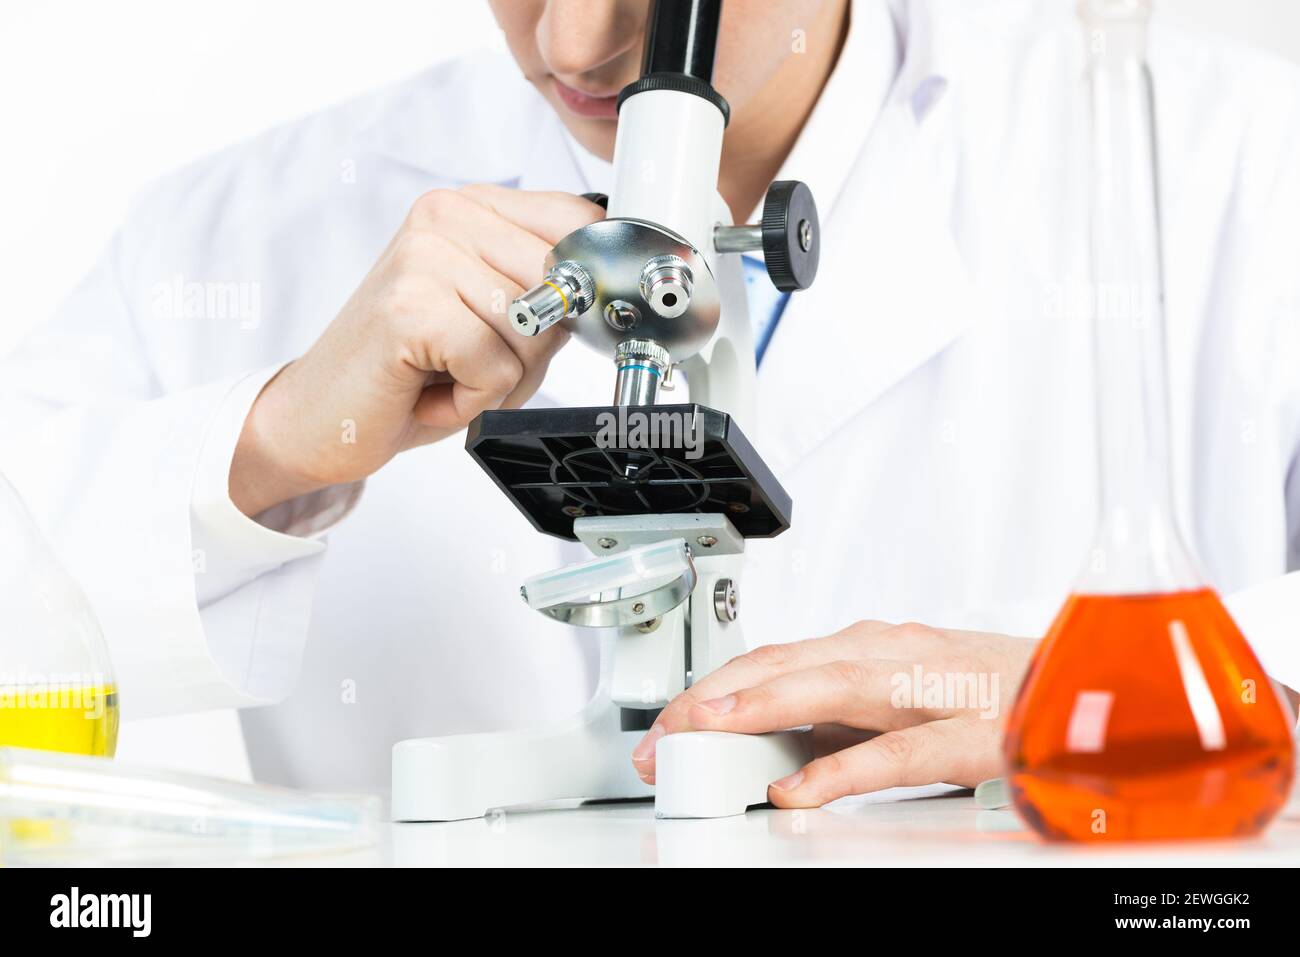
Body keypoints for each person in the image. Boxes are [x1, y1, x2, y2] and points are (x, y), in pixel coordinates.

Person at [2, 0, 1298, 805]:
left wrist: (1120, 697)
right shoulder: (245, 228)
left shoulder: (1228, 162)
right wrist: (270, 443)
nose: (573, 42)